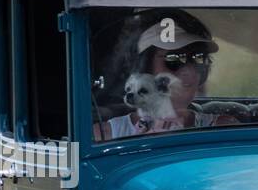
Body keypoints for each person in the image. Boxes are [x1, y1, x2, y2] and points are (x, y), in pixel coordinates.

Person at [94, 12, 235, 140]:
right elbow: (71, 167)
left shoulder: (225, 128)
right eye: (174, 59)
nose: (190, 70)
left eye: (198, 58)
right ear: (143, 67)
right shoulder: (99, 135)